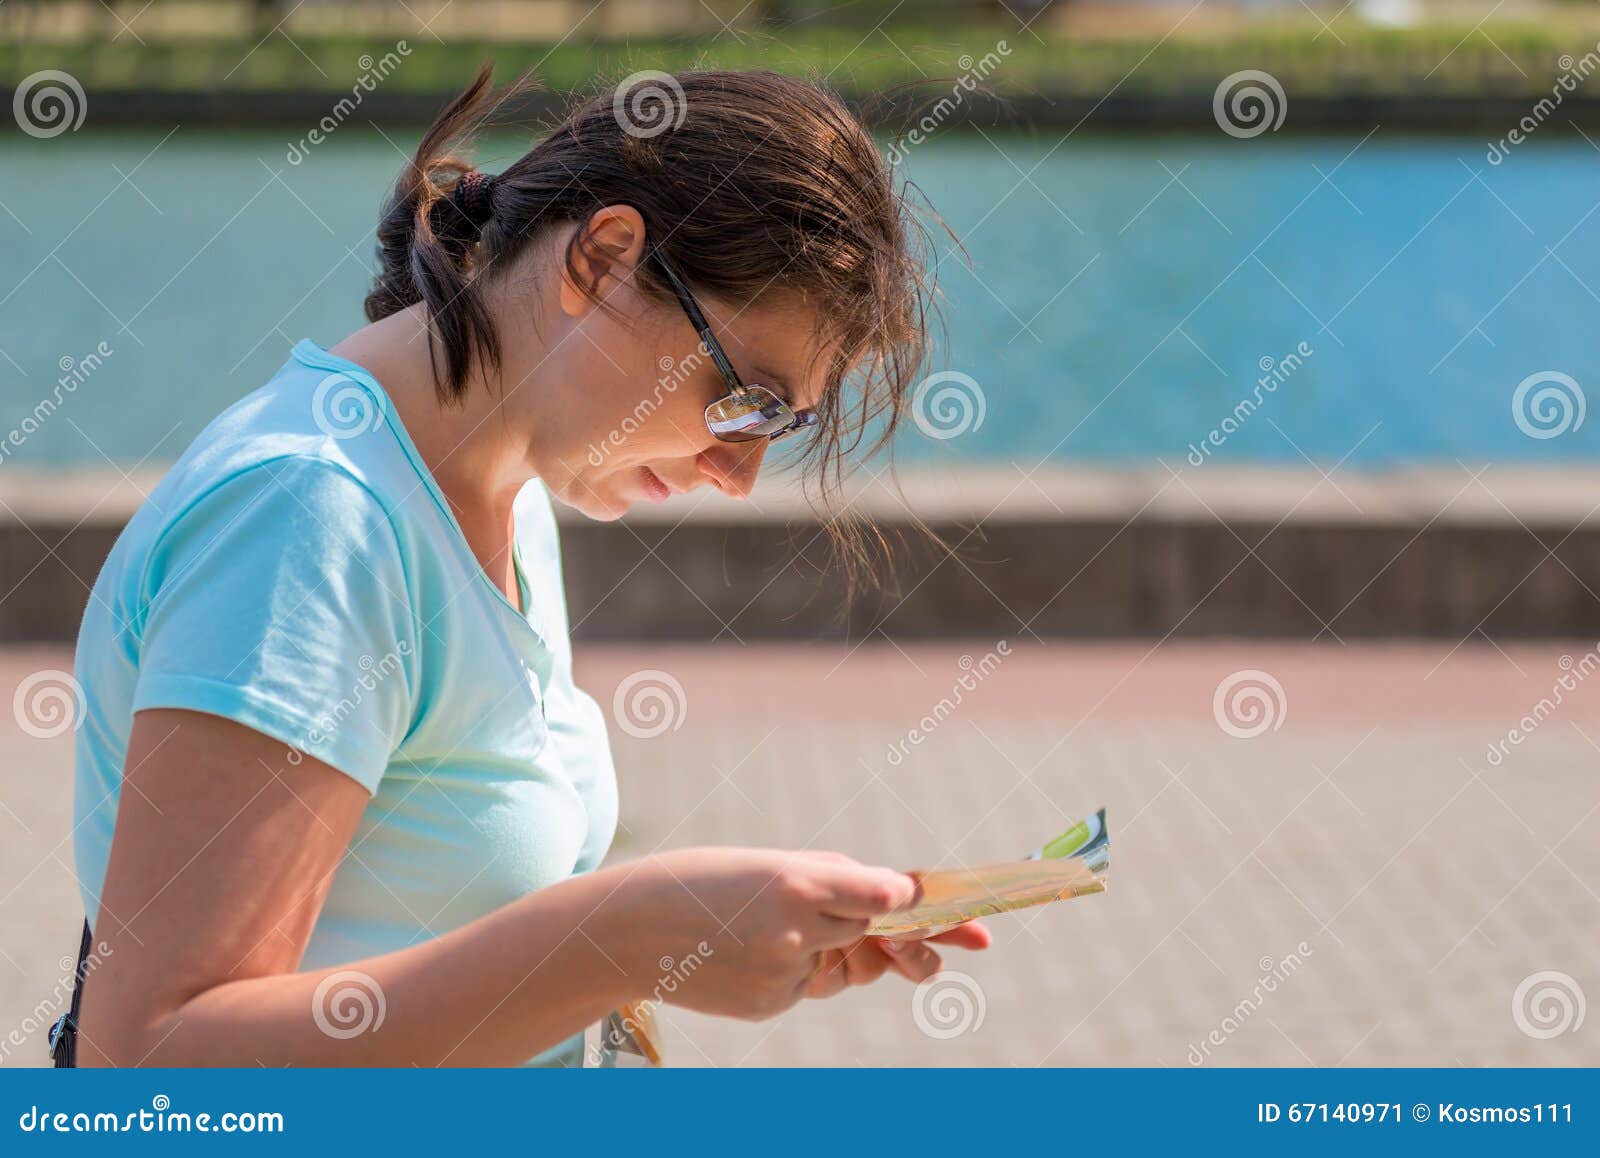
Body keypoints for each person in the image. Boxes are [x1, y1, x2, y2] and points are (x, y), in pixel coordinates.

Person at [67, 66, 989, 1067]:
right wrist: (621, 942)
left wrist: (708, 927)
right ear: (602, 259)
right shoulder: (310, 517)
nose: (739, 472)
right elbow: (155, 1060)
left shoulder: (502, 491)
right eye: (743, 398)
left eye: (783, 424)